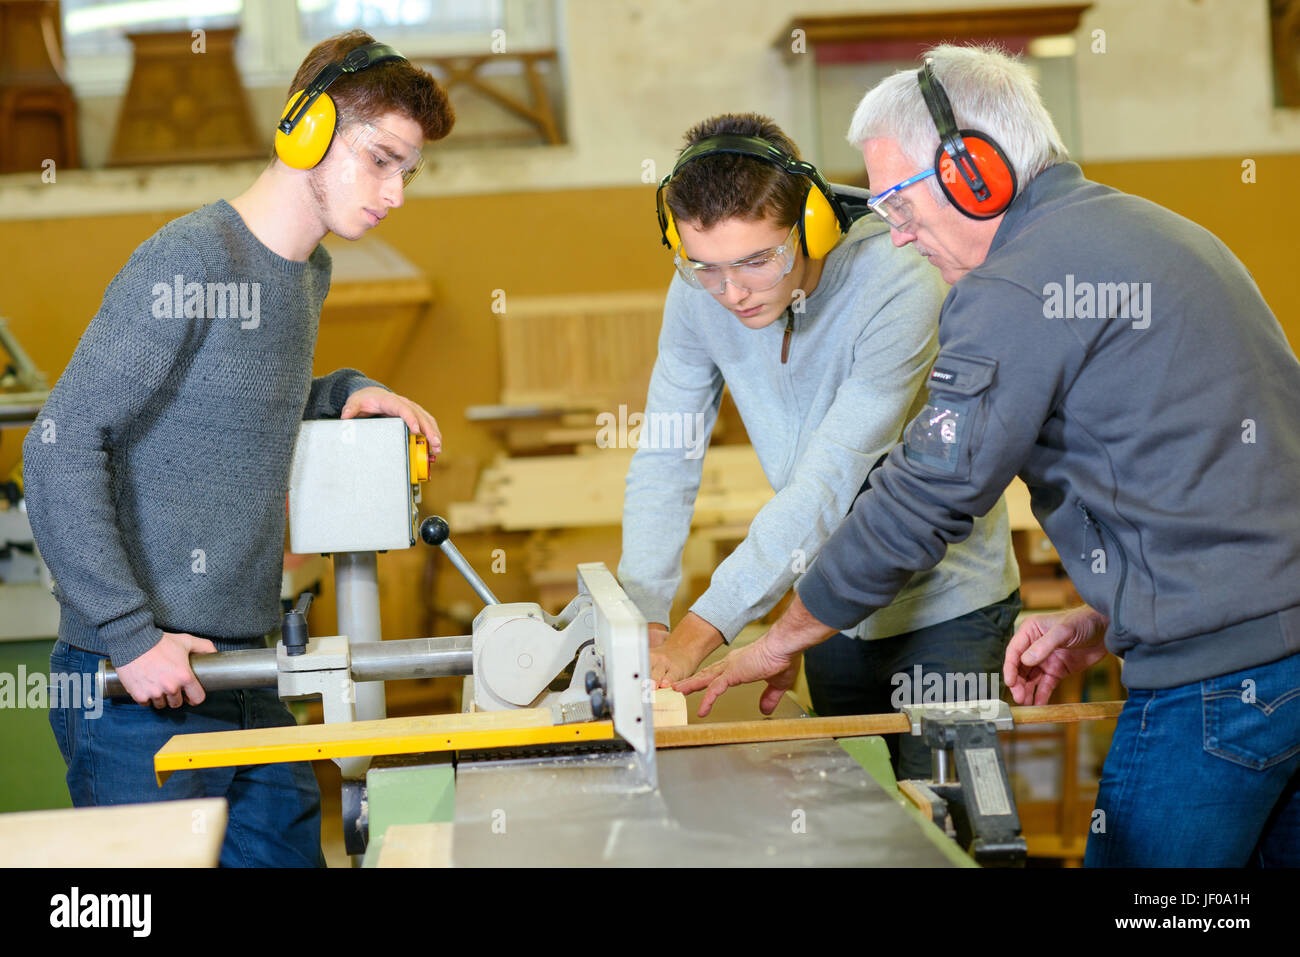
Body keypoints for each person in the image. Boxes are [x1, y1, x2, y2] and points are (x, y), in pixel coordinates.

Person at [677, 45, 1300, 868]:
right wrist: (1110, 618)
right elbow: (1226, 486)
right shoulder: (1161, 233)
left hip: (1218, 688)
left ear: (977, 172)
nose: (894, 231)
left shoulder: (1012, 286)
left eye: (898, 200)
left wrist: (784, 634)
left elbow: (927, 494)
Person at [22, 30, 453, 867]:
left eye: (410, 171)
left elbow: (237, 398)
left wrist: (343, 391)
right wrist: (128, 633)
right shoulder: (191, 257)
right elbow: (60, 443)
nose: (396, 192)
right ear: (308, 131)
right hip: (133, 682)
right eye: (382, 160)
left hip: (244, 675)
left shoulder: (305, 272)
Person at [618, 113, 1021, 780]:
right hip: (831, 606)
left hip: (947, 610)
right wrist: (645, 619)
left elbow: (826, 485)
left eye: (758, 260)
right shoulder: (699, 292)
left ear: (813, 223)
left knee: (949, 828)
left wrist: (701, 629)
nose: (733, 292)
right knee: (862, 823)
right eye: (706, 268)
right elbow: (666, 454)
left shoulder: (898, 280)